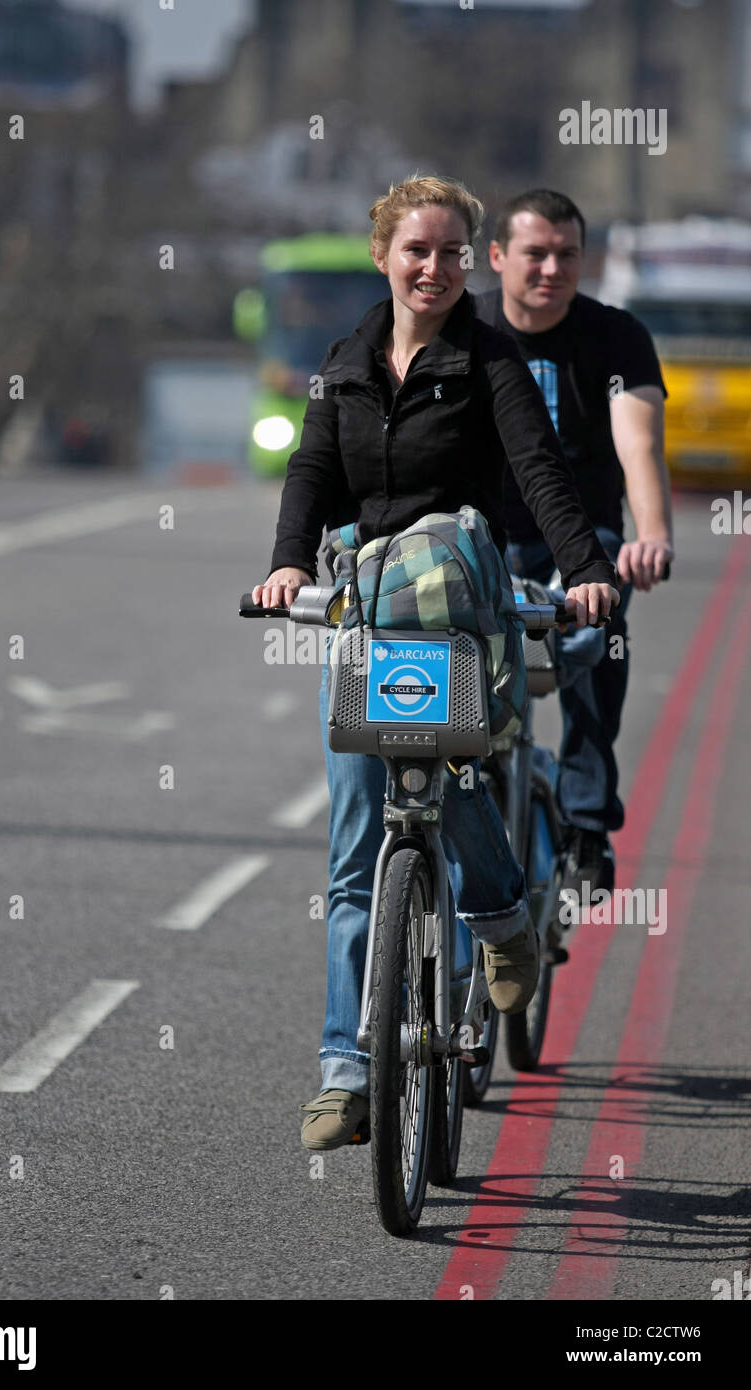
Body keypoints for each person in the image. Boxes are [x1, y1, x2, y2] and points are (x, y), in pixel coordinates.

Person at [251, 176, 619, 1150]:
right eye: (418, 250)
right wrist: (288, 563)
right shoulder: (343, 360)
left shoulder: (488, 358)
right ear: (383, 254)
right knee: (352, 853)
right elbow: (308, 470)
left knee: (455, 785)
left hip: (455, 606)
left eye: (454, 252)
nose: (436, 268)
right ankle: (342, 1070)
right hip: (366, 610)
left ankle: (500, 920)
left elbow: (536, 468)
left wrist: (583, 569)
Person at [474, 189, 674, 900]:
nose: (551, 269)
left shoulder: (616, 337)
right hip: (483, 531)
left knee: (597, 629)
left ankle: (586, 822)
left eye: (566, 255)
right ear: (498, 258)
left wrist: (651, 535)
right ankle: (452, 796)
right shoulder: (462, 330)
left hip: (581, 536)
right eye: (535, 253)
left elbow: (638, 445)